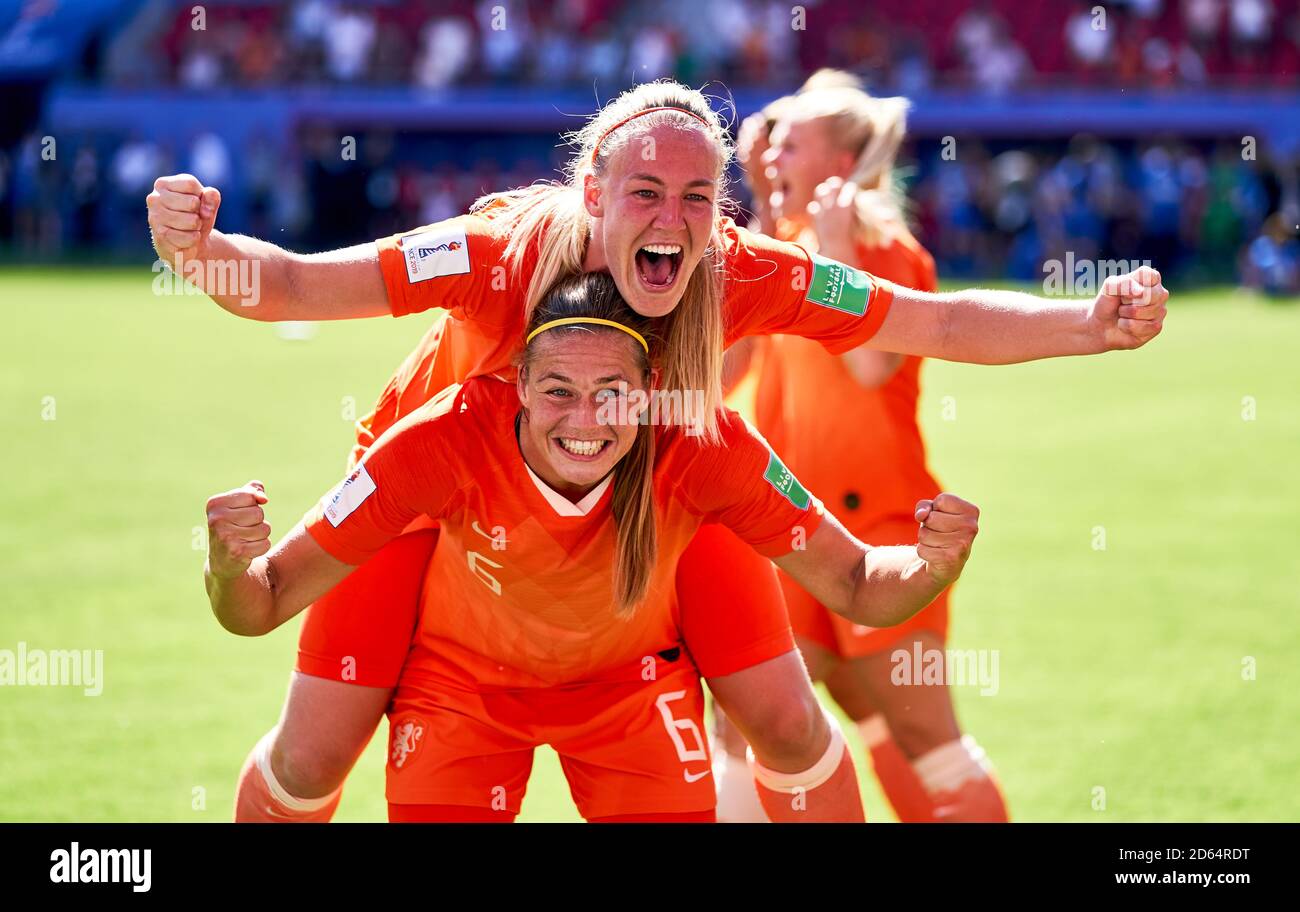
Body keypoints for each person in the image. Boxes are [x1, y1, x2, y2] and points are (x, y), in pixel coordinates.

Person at [152, 79, 1166, 822]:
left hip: (661, 480)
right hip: (436, 495)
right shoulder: (496, 249)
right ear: (592, 189)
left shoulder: (739, 270)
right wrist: (200, 252)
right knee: (315, 754)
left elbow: (932, 324)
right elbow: (289, 286)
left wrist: (1088, 325)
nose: (673, 221)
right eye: (646, 191)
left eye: (697, 197)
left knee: (785, 720)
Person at [204, 273, 981, 822]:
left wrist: (929, 566)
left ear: (649, 388)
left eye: (612, 392)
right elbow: (260, 604)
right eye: (557, 392)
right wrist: (228, 568)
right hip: (463, 689)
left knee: (789, 722)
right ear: (515, 382)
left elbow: (855, 580)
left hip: (630, 690)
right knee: (307, 761)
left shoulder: (704, 438)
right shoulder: (437, 438)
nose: (585, 419)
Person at [717, 76, 1008, 822]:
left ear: (840, 159)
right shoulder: (780, 250)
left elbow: (870, 366)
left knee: (919, 732)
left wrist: (837, 247)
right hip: (789, 529)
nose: (771, 145)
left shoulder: (888, 251)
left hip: (880, 523)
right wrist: (761, 225)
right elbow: (729, 373)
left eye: (792, 137)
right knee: (749, 727)